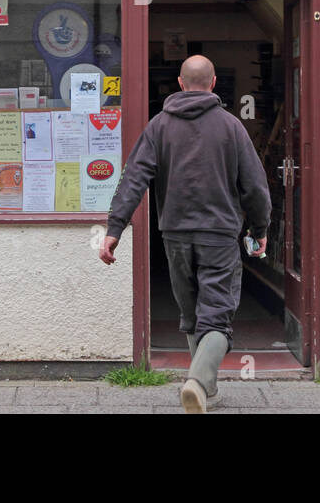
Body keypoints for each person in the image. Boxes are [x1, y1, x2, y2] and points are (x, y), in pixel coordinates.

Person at [99, 54, 271, 413]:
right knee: (218, 315)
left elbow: (134, 179)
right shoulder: (231, 127)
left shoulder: (159, 126)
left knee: (192, 313)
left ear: (180, 83)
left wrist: (115, 228)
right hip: (219, 235)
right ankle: (196, 382)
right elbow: (255, 186)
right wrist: (260, 228)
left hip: (175, 235)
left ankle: (204, 390)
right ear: (212, 84)